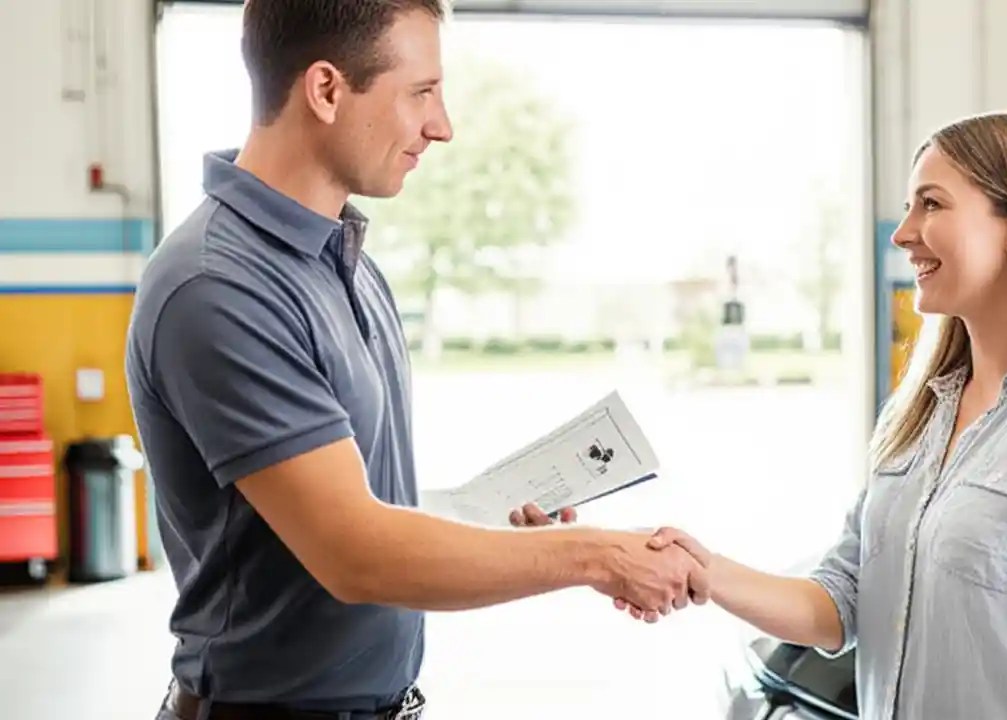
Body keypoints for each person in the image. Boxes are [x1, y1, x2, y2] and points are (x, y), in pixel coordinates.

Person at [125, 2, 706, 718]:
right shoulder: (219, 286)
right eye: (421, 93)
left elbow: (351, 502)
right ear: (327, 90)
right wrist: (597, 556)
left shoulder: (347, 264)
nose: (442, 125)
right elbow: (356, 553)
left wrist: (476, 523)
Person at [625, 111, 1007, 720]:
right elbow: (840, 602)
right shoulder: (919, 413)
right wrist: (704, 570)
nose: (903, 232)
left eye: (932, 204)